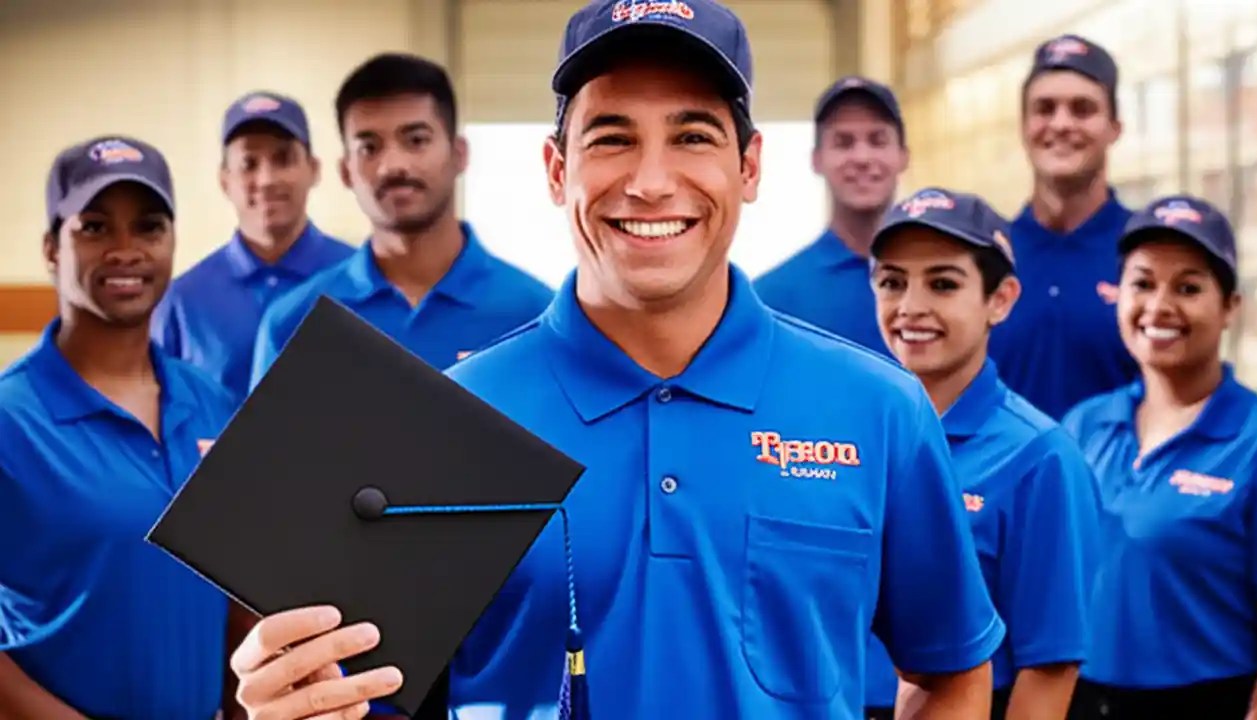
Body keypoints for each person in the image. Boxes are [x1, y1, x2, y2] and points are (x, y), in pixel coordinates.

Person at [227, 2, 1007, 719]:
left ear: (750, 167)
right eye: (612, 138)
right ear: (557, 169)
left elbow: (950, 671)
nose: (651, 181)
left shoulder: (876, 409)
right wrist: (298, 700)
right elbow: (381, 697)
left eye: (693, 135)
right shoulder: (455, 416)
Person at [0, 136, 243, 719]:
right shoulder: (11, 419)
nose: (126, 249)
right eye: (95, 227)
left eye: (149, 227)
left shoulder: (213, 405)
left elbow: (239, 591)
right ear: (51, 248)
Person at [865, 187, 1101, 720]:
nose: (911, 307)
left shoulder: (1041, 459)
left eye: (943, 284)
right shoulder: (849, 434)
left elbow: (1051, 667)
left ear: (1001, 299)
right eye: (892, 282)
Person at [1062, 195, 1257, 719]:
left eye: (1187, 287)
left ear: (1230, 306)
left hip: (1210, 702)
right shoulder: (1082, 426)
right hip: (1082, 699)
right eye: (1142, 284)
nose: (1159, 307)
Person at [249, 55, 552, 383]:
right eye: (369, 147)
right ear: (345, 171)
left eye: (416, 140)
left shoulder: (536, 316)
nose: (393, 165)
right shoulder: (292, 323)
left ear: (459, 154)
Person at [151, 91, 353, 401]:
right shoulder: (181, 303)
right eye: (248, 163)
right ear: (224, 180)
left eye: (283, 159)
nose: (267, 179)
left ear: (314, 169)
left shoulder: (360, 279)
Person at [988, 34, 1139, 420]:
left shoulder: (1146, 257)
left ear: (1114, 127)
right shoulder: (984, 256)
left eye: (1082, 109)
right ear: (1024, 126)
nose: (1061, 123)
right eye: (1044, 108)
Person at [753, 76, 909, 358]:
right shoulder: (771, 301)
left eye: (877, 140)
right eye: (843, 142)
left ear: (903, 156)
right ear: (817, 159)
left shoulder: (947, 288)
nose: (862, 157)